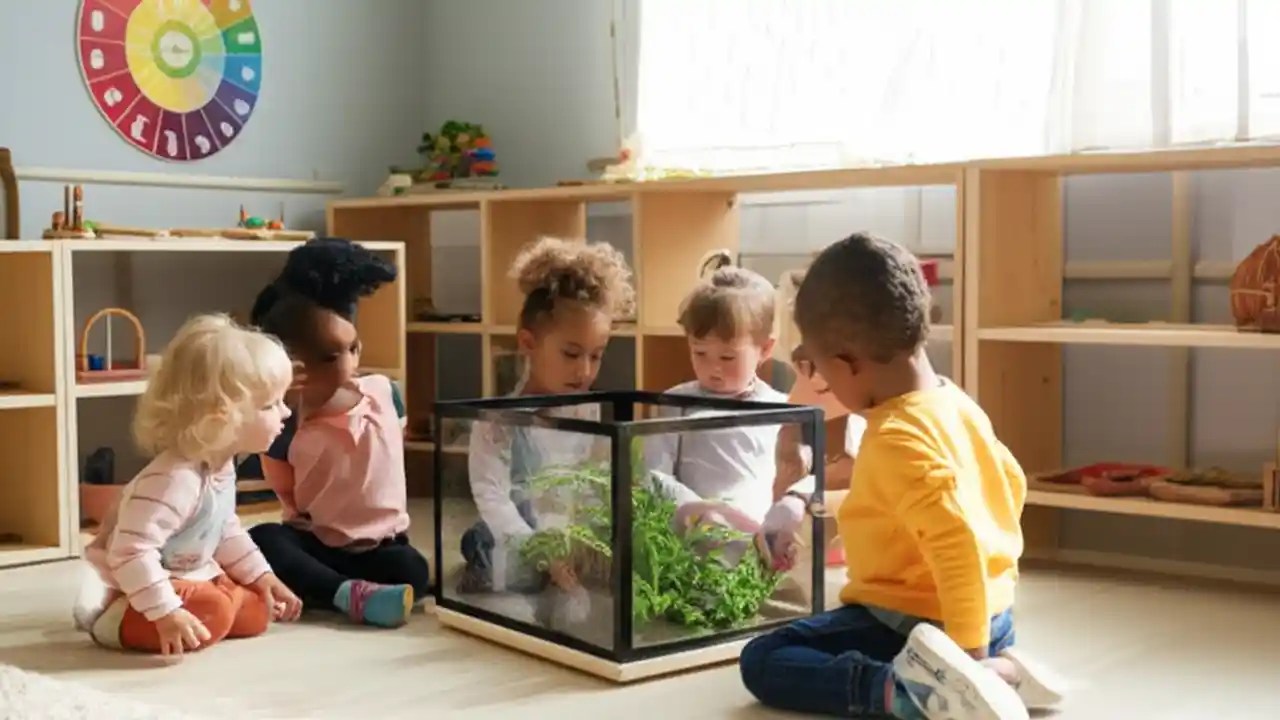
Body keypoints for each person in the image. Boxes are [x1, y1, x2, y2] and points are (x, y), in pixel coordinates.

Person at [739, 232, 1063, 720]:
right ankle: (1005, 671)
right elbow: (1007, 482)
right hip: (994, 617)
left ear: (848, 364)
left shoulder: (896, 436)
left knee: (764, 658)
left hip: (924, 623)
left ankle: (912, 690)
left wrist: (964, 662)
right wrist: (803, 502)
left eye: (821, 370)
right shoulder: (954, 403)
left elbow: (955, 542)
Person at [75, 314, 302, 656]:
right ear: (221, 416)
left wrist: (262, 577)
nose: (285, 413)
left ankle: (211, 607)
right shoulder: (172, 480)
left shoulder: (220, 466)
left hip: (190, 576)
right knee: (216, 609)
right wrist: (166, 612)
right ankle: (112, 622)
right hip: (131, 588)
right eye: (271, 404)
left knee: (256, 609)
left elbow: (224, 532)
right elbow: (130, 552)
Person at [247, 238, 430, 629]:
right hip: (320, 544)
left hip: (381, 548)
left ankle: (336, 589)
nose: (348, 363)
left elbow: (392, 453)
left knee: (413, 568)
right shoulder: (288, 417)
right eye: (330, 357)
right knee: (263, 539)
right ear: (294, 366)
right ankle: (345, 593)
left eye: (353, 349)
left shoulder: (384, 392)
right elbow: (285, 489)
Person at [459, 236, 635, 607]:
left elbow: (591, 481)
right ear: (528, 343)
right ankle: (478, 548)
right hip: (519, 530)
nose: (584, 371)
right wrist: (540, 549)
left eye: (596, 356)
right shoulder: (498, 420)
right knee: (511, 568)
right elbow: (491, 495)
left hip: (564, 525)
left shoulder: (588, 408)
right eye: (571, 354)